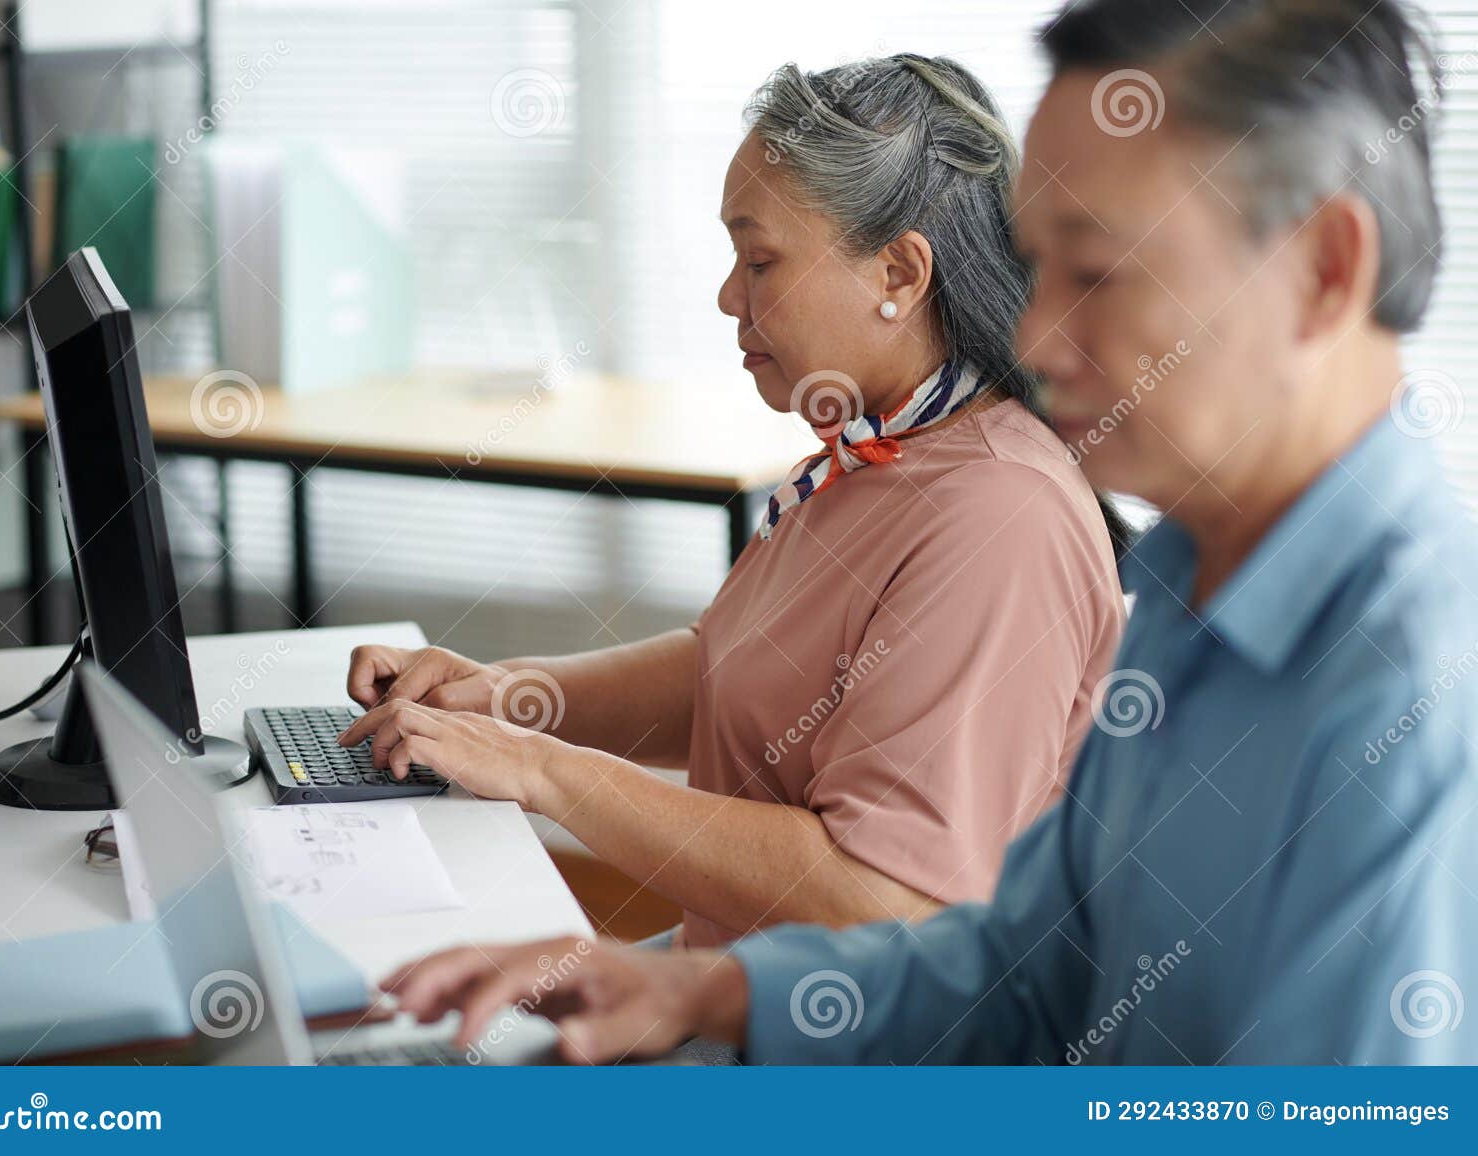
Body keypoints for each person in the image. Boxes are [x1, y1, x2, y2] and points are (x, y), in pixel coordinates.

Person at [378, 0, 1478, 1065]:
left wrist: (548, 771)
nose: (1038, 332)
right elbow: (1026, 967)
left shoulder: (1413, 691)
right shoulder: (1196, 583)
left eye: (1095, 272)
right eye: (1039, 267)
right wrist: (703, 986)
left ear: (1325, 269)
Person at [339, 55, 1127, 946]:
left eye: (760, 260)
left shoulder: (996, 518)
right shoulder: (871, 455)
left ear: (899, 277)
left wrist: (542, 771)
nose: (726, 297)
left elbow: (883, 897)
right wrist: (505, 699)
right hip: (737, 994)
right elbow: (729, 673)